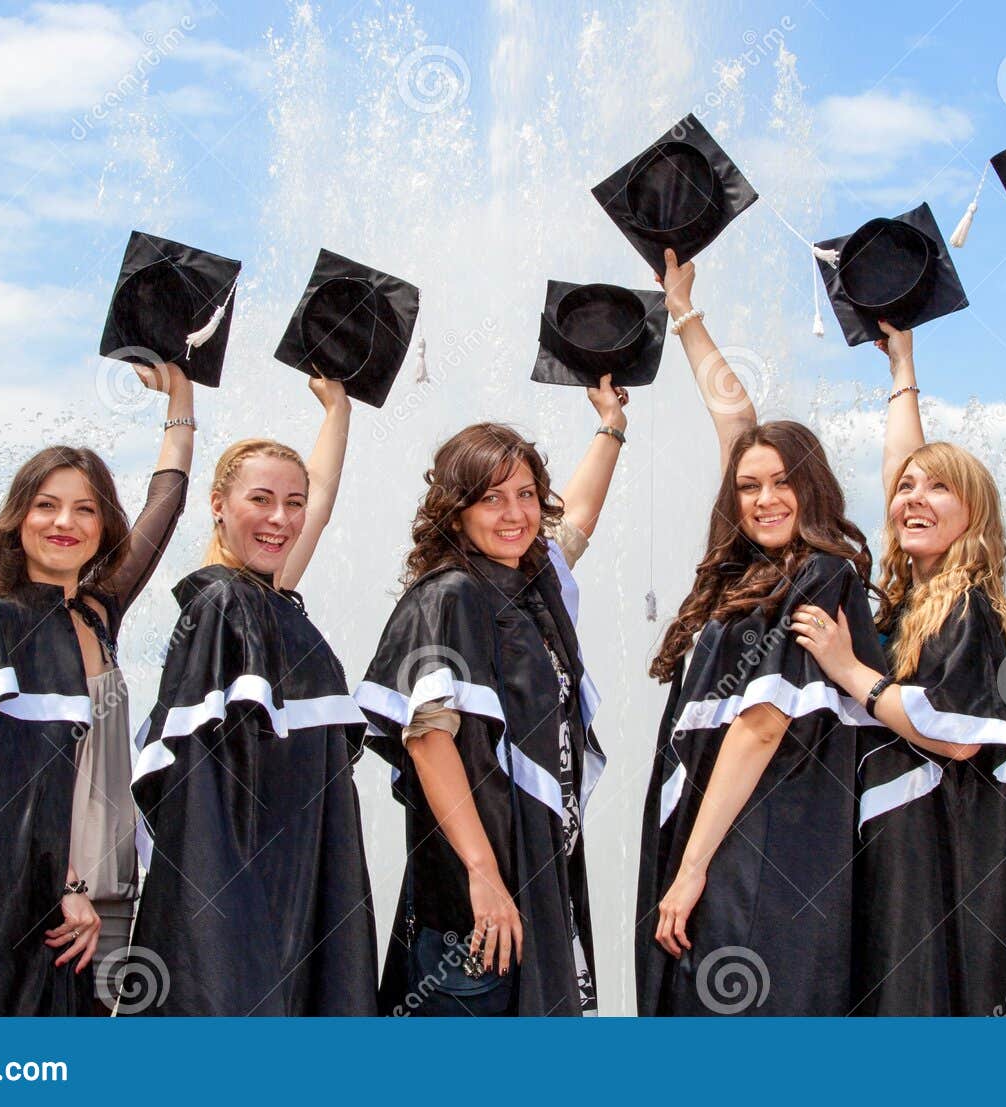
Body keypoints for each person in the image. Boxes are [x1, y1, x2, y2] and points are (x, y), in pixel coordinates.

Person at [0, 364, 195, 1016]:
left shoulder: (97, 615)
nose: (64, 522)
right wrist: (63, 884)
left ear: (104, 526)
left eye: (84, 508)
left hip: (102, 894)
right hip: (24, 899)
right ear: (18, 517)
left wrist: (181, 399)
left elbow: (166, 504)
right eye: (46, 505)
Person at [636, 249, 887, 1016]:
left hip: (761, 845)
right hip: (722, 837)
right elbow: (736, 420)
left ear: (810, 485)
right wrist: (684, 315)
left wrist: (692, 865)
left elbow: (762, 724)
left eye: (783, 482)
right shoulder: (739, 574)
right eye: (749, 486)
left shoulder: (821, 572)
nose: (764, 497)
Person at [790, 323, 1006, 1015]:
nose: (914, 497)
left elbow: (957, 735)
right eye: (907, 488)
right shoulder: (906, 604)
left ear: (973, 514)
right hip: (899, 847)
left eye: (939, 489)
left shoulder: (970, 606)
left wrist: (852, 672)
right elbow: (897, 469)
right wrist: (902, 367)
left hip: (947, 856)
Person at [356, 379, 627, 1017]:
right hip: (477, 896)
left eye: (527, 495)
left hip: (533, 875)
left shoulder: (531, 589)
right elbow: (426, 740)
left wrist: (612, 426)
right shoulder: (449, 596)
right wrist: (483, 875)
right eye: (491, 499)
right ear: (456, 511)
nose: (515, 514)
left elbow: (579, 521)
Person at [127, 379, 377, 1015]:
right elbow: (200, 798)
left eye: (291, 503)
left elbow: (315, 509)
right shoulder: (222, 606)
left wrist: (338, 410)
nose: (281, 517)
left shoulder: (269, 604)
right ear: (218, 505)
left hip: (298, 886)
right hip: (242, 912)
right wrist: (224, 947)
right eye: (260, 499)